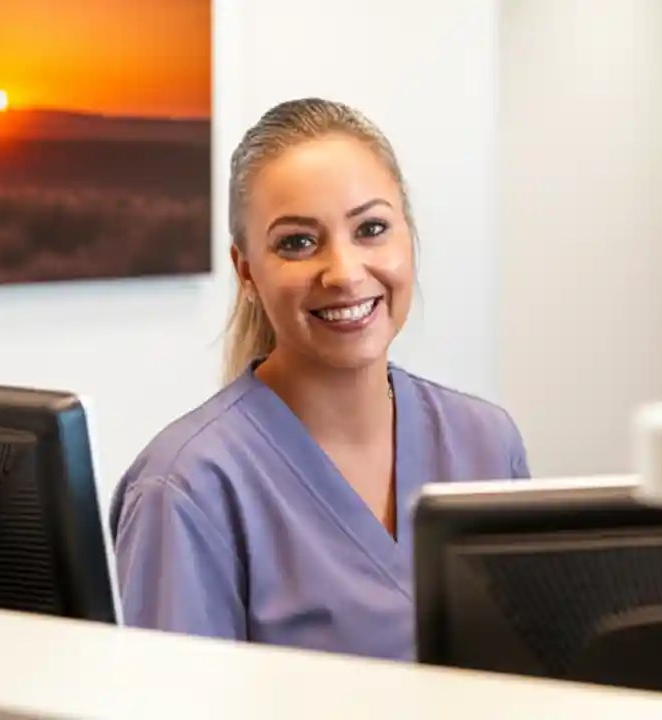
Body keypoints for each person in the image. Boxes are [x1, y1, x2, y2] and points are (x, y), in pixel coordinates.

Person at [109, 98, 530, 659]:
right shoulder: (187, 487)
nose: (346, 273)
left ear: (409, 238)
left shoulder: (487, 444)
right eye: (298, 243)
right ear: (247, 272)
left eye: (371, 229)